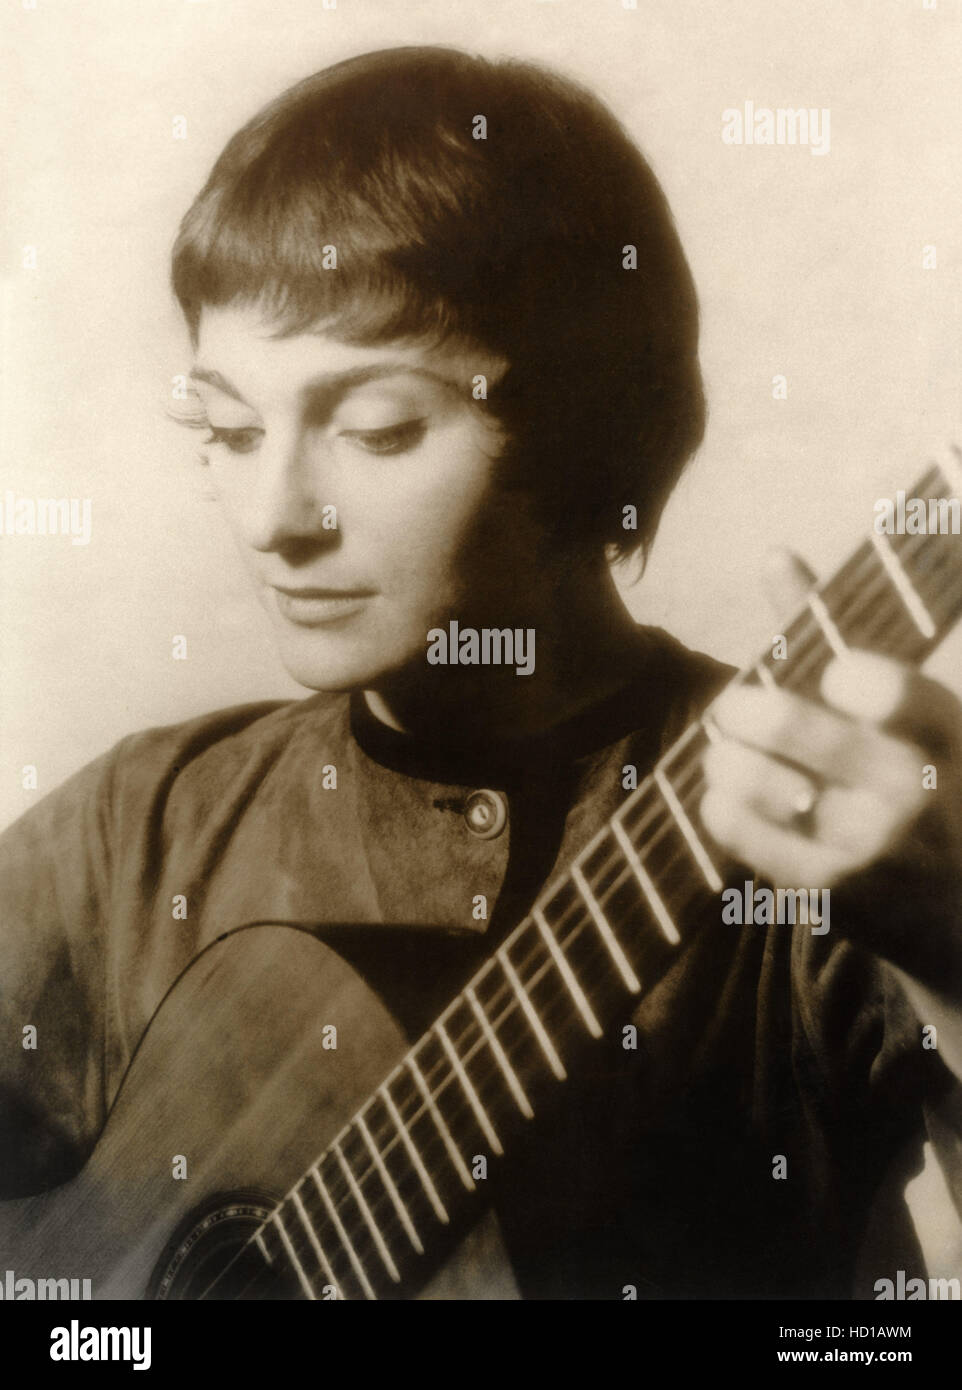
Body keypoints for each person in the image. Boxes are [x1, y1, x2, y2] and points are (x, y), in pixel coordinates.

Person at [1, 45, 960, 1300]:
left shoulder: (809, 825)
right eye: (228, 432)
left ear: (579, 423)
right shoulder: (140, 831)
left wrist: (950, 944)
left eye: (375, 428)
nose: (272, 516)